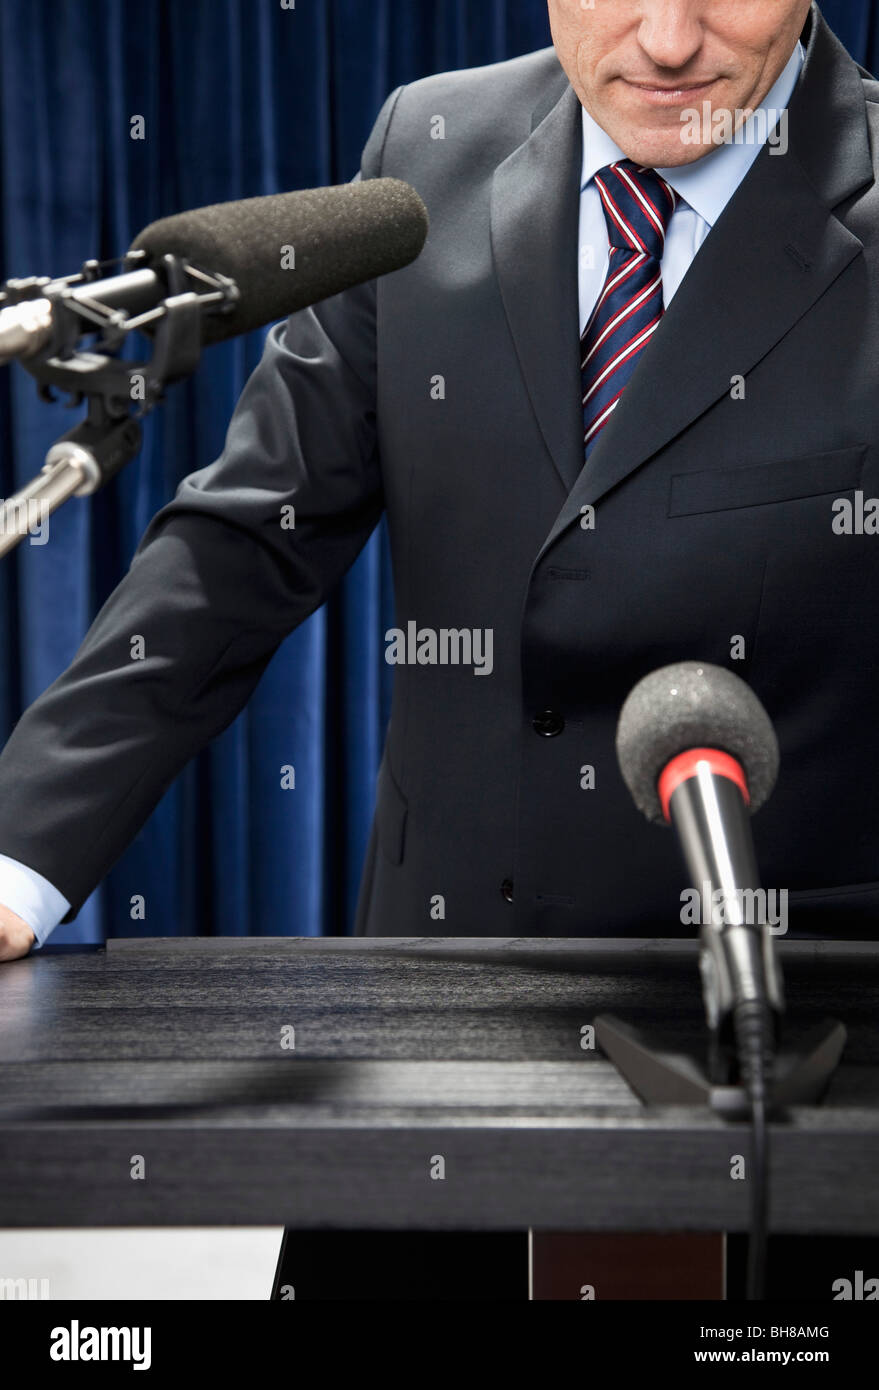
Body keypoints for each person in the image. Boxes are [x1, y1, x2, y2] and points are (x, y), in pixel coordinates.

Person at [1, 0, 877, 963]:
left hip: (800, 990)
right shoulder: (423, 147)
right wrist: (18, 859)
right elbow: (244, 543)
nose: (666, 41)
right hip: (441, 963)